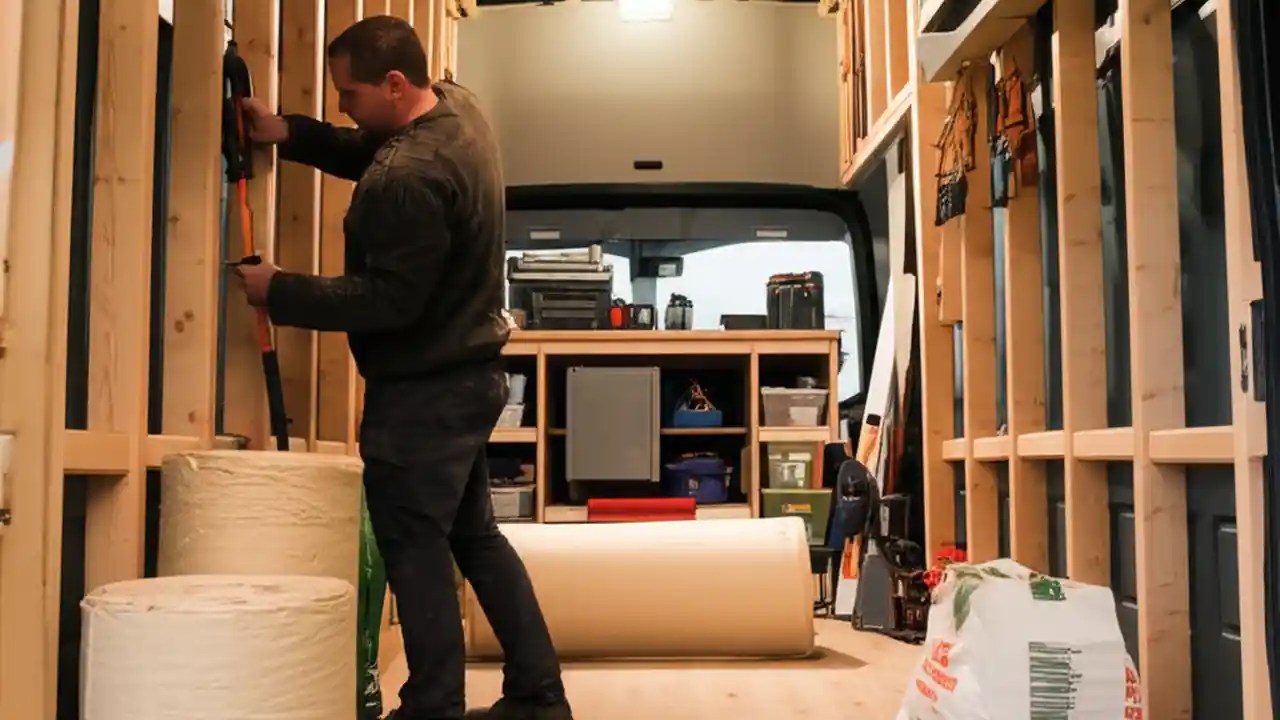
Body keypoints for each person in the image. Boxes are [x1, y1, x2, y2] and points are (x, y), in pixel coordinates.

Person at [233, 15, 572, 720]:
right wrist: (289, 133)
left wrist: (281, 289)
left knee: (414, 549)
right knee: (474, 537)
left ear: (393, 84)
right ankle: (538, 697)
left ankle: (432, 707)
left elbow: (388, 301)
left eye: (348, 95)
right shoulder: (457, 109)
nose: (343, 107)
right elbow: (377, 149)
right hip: (472, 378)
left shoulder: (407, 177)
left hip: (422, 394)